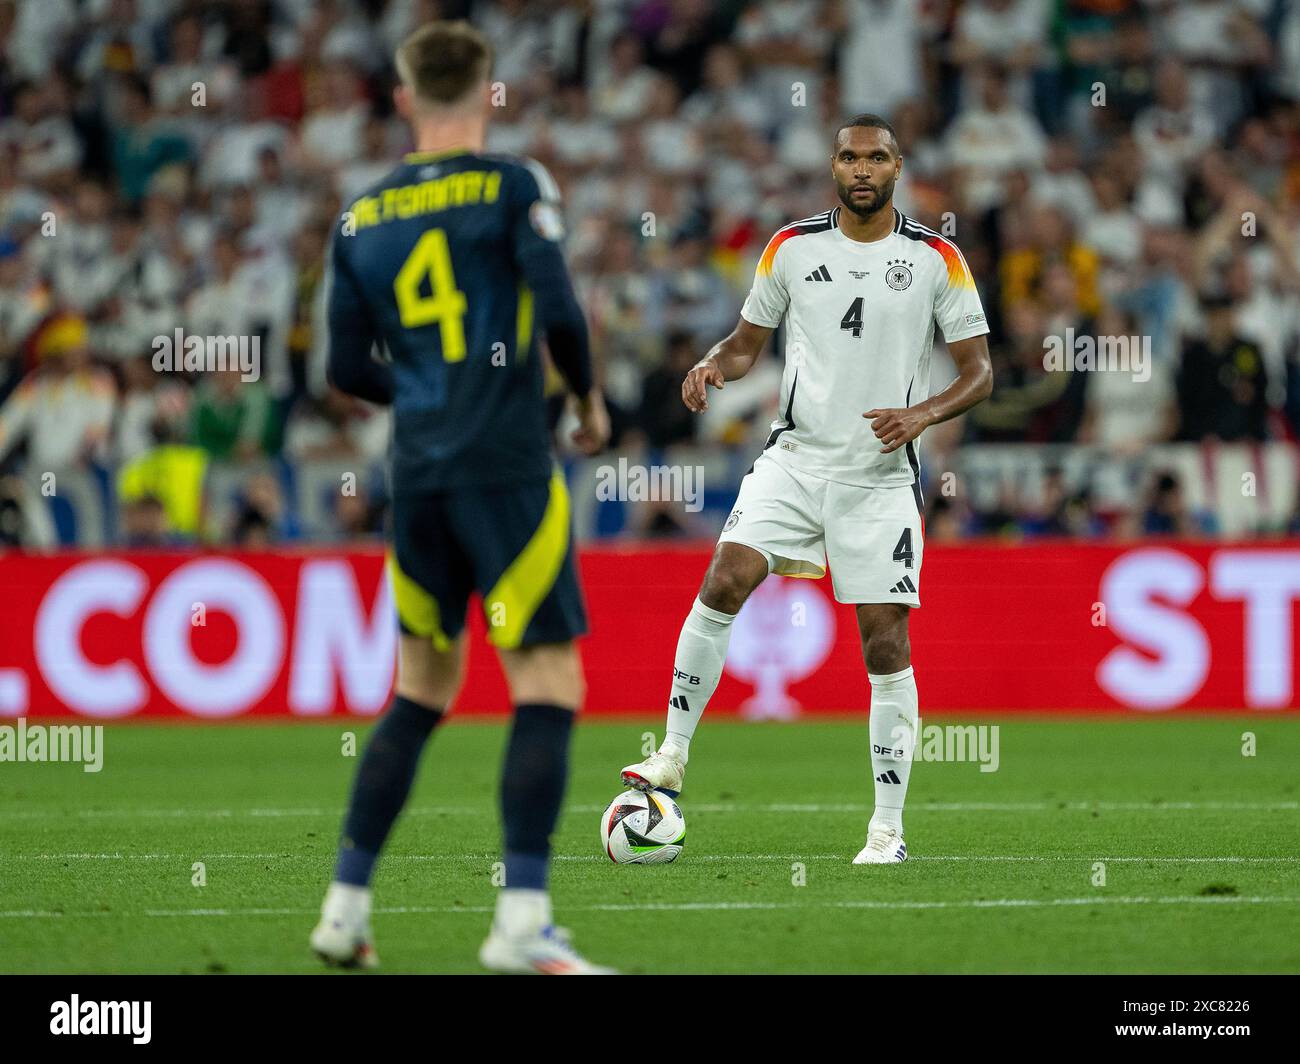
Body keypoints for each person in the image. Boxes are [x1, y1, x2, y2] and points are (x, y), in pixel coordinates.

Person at [311, 20, 611, 974]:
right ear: (488, 94)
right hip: (507, 463)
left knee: (419, 688)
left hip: (419, 472)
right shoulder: (513, 185)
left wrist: (429, 391)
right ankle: (522, 921)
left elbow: (343, 365)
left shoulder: (361, 216)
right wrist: (589, 401)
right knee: (548, 681)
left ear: (402, 99)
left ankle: (343, 911)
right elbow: (558, 305)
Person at [619, 114, 993, 865]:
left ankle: (886, 830)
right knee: (724, 577)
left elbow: (980, 373)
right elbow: (747, 343)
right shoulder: (790, 247)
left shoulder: (936, 259)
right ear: (833, 166)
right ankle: (672, 755)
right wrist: (714, 366)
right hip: (794, 461)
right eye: (850, 157)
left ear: (897, 168)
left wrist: (921, 414)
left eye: (877, 158)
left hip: (880, 477)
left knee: (884, 643)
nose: (862, 169)